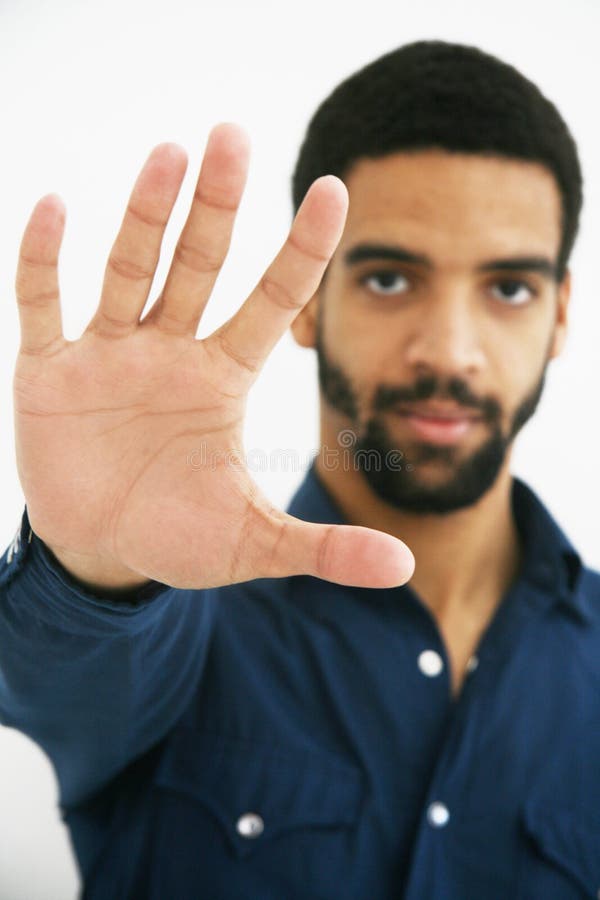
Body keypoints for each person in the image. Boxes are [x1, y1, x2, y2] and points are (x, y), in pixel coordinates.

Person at [0, 37, 597, 899]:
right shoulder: (180, 628)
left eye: (508, 288)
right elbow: (56, 681)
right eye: (391, 279)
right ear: (310, 300)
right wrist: (95, 569)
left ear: (561, 313)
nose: (453, 352)